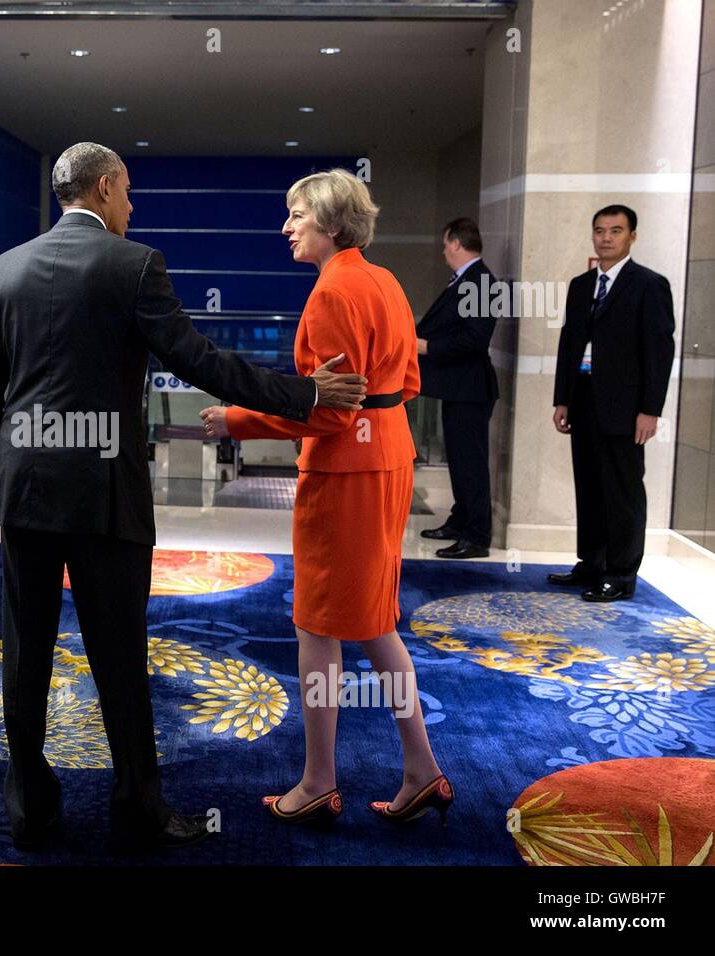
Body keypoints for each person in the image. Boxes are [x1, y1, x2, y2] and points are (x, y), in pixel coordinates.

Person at [0, 142, 367, 852]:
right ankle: (138, 813)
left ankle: (29, 810)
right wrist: (303, 393)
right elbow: (201, 362)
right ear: (108, 187)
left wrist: (4, 467)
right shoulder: (133, 264)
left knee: (25, 653)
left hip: (25, 493)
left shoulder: (3, 270)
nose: (133, 206)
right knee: (119, 655)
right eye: (128, 193)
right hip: (104, 497)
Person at [200, 169, 451, 828]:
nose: (287, 227)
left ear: (332, 224)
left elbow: (330, 414)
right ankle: (420, 769)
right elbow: (410, 383)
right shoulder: (388, 282)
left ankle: (317, 782)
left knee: (319, 625)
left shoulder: (332, 293)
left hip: (346, 475)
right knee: (372, 622)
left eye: (297, 216)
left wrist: (238, 420)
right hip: (390, 459)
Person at [549, 205, 675, 602]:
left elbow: (659, 351)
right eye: (600, 230)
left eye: (616, 231)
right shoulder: (581, 285)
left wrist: (650, 410)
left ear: (631, 237)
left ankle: (620, 574)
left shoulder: (649, 285)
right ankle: (592, 562)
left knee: (622, 491)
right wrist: (562, 399)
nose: (606, 238)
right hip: (583, 399)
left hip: (625, 407)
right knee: (589, 486)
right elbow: (569, 343)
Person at [416, 217, 499, 559]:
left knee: (470, 464)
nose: (443, 250)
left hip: (471, 389)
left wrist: (424, 347)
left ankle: (477, 536)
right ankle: (460, 520)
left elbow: (475, 340)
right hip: (458, 389)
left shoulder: (480, 281)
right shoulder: (464, 280)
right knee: (460, 462)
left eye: (445, 243)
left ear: (455, 244)